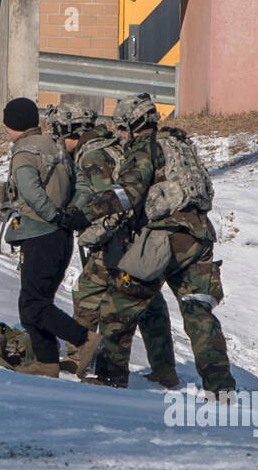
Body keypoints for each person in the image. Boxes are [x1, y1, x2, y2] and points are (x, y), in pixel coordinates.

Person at [63, 94, 236, 394]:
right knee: (199, 316)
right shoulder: (181, 144)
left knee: (119, 306)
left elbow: (126, 193)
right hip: (200, 236)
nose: (120, 135)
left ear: (131, 125)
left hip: (164, 238)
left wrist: (83, 215)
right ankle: (220, 388)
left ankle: (110, 378)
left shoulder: (146, 147)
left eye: (122, 128)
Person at [54, 103, 178, 388]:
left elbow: (109, 201)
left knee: (88, 292)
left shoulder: (92, 156)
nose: (60, 142)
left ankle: (79, 356)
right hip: (140, 237)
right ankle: (164, 368)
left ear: (73, 132)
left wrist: (93, 233)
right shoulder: (112, 146)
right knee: (148, 301)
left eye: (61, 134)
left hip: (117, 238)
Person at [0, 97, 104, 378]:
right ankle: (46, 362)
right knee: (35, 303)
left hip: (39, 235)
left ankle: (83, 340)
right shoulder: (57, 145)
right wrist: (70, 212)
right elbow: (82, 183)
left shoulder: (23, 153)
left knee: (32, 304)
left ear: (13, 125)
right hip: (62, 238)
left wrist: (52, 214)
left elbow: (30, 191)